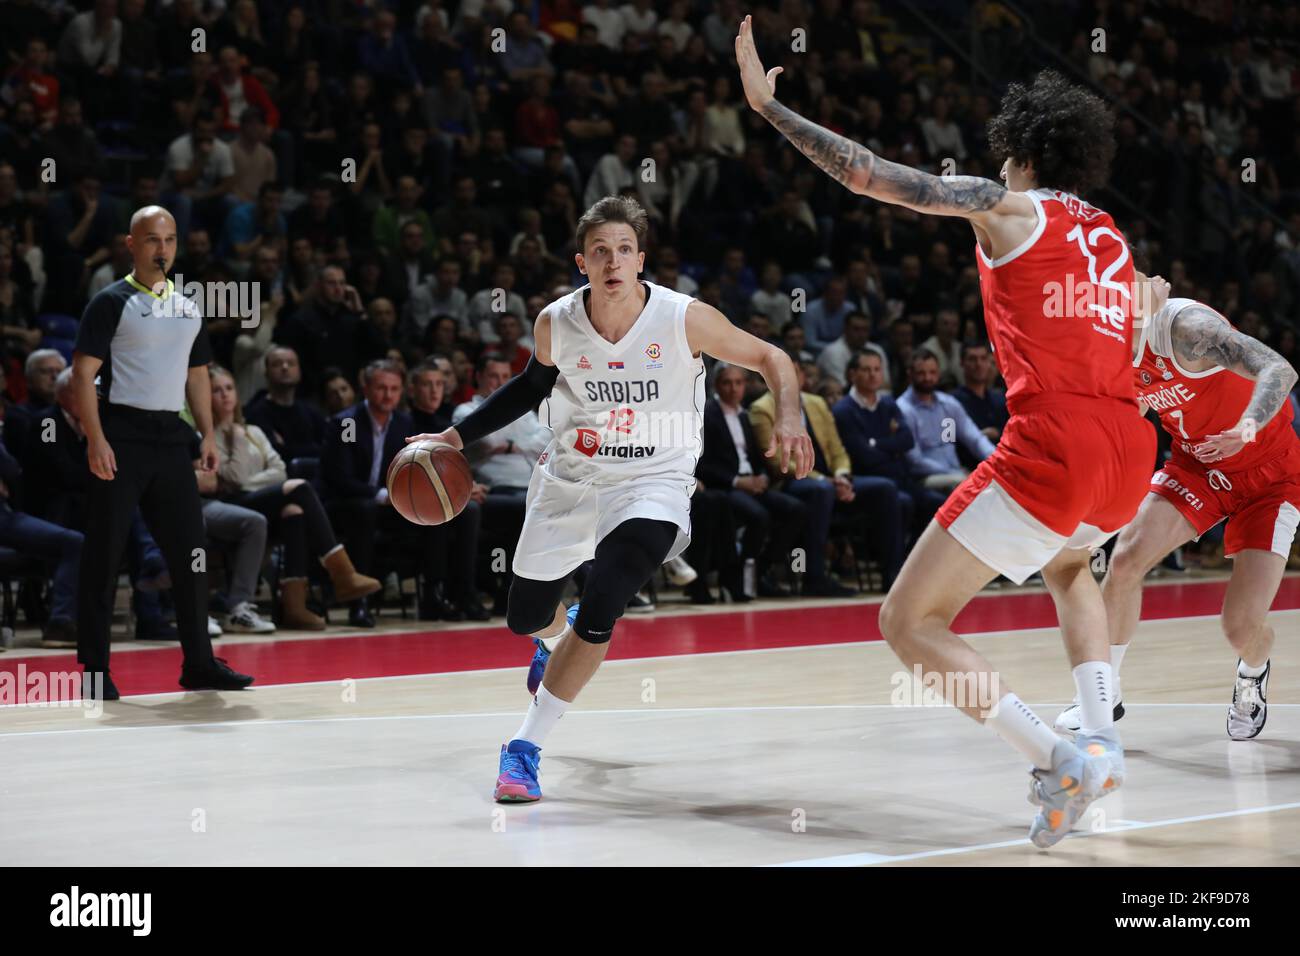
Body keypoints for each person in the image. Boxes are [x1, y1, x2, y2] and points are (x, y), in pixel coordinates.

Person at [739, 24, 1154, 846]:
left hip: (1059, 441)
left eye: (1003, 155)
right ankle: (1102, 736)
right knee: (1070, 563)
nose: (996, 167)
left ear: (1025, 155)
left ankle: (1056, 755)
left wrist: (769, 109)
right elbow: (1139, 333)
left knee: (908, 621)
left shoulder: (1008, 206)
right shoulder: (1111, 235)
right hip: (1129, 447)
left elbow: (871, 176)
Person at [406, 195, 812, 803]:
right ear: (581, 263)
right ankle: (552, 638)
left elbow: (770, 356)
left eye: (624, 250)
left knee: (606, 599)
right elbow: (528, 389)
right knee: (524, 616)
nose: (613, 261)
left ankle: (524, 748)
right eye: (601, 252)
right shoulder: (556, 323)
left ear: (641, 259)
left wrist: (789, 415)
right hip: (572, 475)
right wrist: (452, 437)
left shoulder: (682, 318)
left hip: (656, 479)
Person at [1056, 275, 1300, 740]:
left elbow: (1279, 369)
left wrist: (1246, 427)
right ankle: (1105, 693)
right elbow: (1134, 413)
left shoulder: (1186, 329)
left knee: (1239, 627)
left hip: (1270, 475)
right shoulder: (1106, 354)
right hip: (1197, 468)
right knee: (1125, 561)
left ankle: (1253, 672)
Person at [69, 204, 254, 700]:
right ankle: (93, 671)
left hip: (171, 437)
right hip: (121, 434)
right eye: (151, 239)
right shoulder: (110, 302)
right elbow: (82, 375)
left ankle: (198, 664)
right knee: (104, 556)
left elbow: (197, 375)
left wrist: (209, 436)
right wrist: (96, 439)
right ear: (131, 244)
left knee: (192, 554)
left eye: (169, 240)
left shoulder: (189, 306)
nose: (162, 249)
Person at [210, 365, 380, 629]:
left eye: (229, 388)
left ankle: (294, 606)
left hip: (256, 500)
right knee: (299, 487)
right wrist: (240, 447)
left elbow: (279, 470)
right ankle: (341, 572)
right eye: (216, 390)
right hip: (229, 504)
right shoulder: (208, 436)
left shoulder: (253, 430)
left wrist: (251, 484)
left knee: (295, 511)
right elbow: (234, 478)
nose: (225, 395)